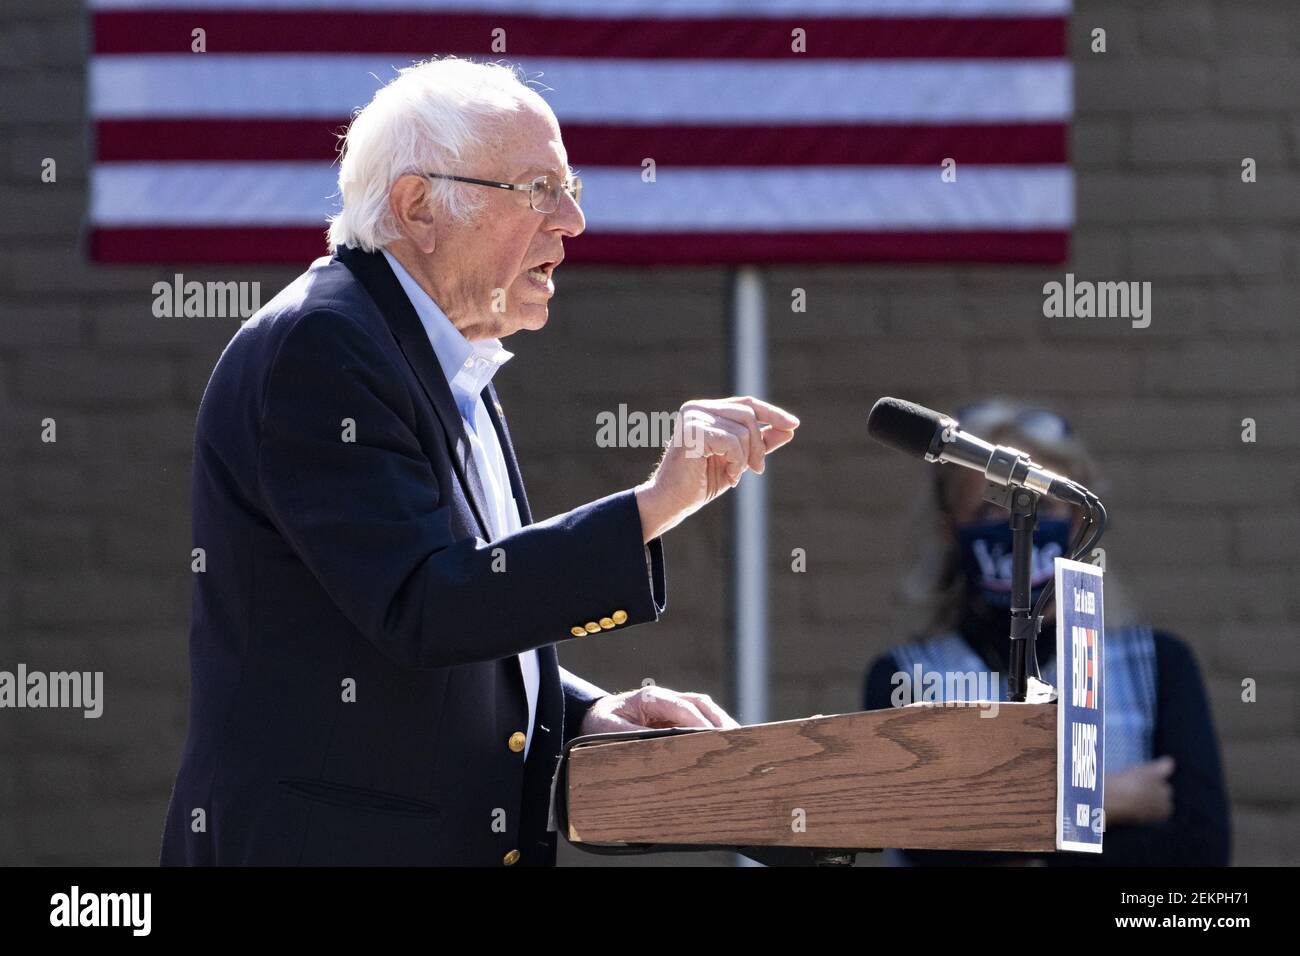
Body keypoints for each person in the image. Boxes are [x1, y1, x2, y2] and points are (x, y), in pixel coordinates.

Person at [160, 57, 799, 866]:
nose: (572, 220)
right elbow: (421, 603)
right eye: (538, 190)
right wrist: (652, 505)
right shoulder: (321, 348)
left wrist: (576, 717)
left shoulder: (443, 355)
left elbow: (447, 632)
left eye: (571, 189)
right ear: (418, 206)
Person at [862, 398, 1229, 866]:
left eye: (1040, 508)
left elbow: (1198, 849)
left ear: (1077, 521)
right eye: (987, 512)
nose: (1016, 527)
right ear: (948, 528)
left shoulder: (1156, 665)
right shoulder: (906, 677)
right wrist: (1108, 802)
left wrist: (993, 826)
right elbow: (926, 845)